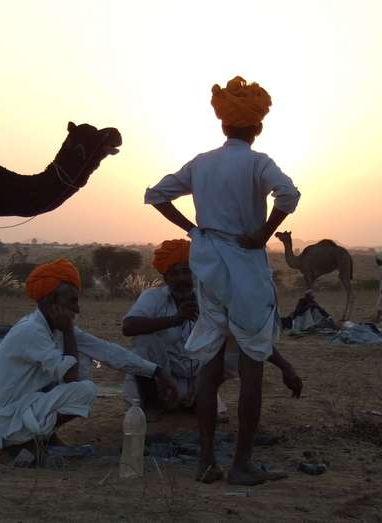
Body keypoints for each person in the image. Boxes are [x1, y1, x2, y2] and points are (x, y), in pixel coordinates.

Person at [145, 76, 301, 485]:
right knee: (252, 369)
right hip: (247, 272)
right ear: (257, 127)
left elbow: (156, 195)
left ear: (223, 125)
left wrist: (193, 230)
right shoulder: (258, 163)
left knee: (209, 369)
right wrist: (265, 234)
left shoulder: (201, 163)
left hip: (208, 267)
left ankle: (206, 463)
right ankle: (242, 465)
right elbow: (289, 196)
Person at [0, 259, 179, 450]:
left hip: (20, 411)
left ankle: (44, 434)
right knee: (84, 389)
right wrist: (68, 331)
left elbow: (107, 351)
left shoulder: (53, 327)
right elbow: (70, 377)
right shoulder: (32, 331)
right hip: (6, 423)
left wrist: (156, 371)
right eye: (72, 301)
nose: (77, 308)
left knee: (82, 357)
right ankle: (27, 441)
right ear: (52, 301)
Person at [122, 239, 231, 421]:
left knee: (226, 341)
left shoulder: (207, 298)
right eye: (175, 273)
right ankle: (153, 405)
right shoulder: (153, 297)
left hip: (198, 380)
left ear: (195, 273)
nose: (182, 278)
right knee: (143, 340)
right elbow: (128, 327)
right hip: (164, 381)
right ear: (166, 278)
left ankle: (201, 400)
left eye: (187, 271)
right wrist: (174, 320)